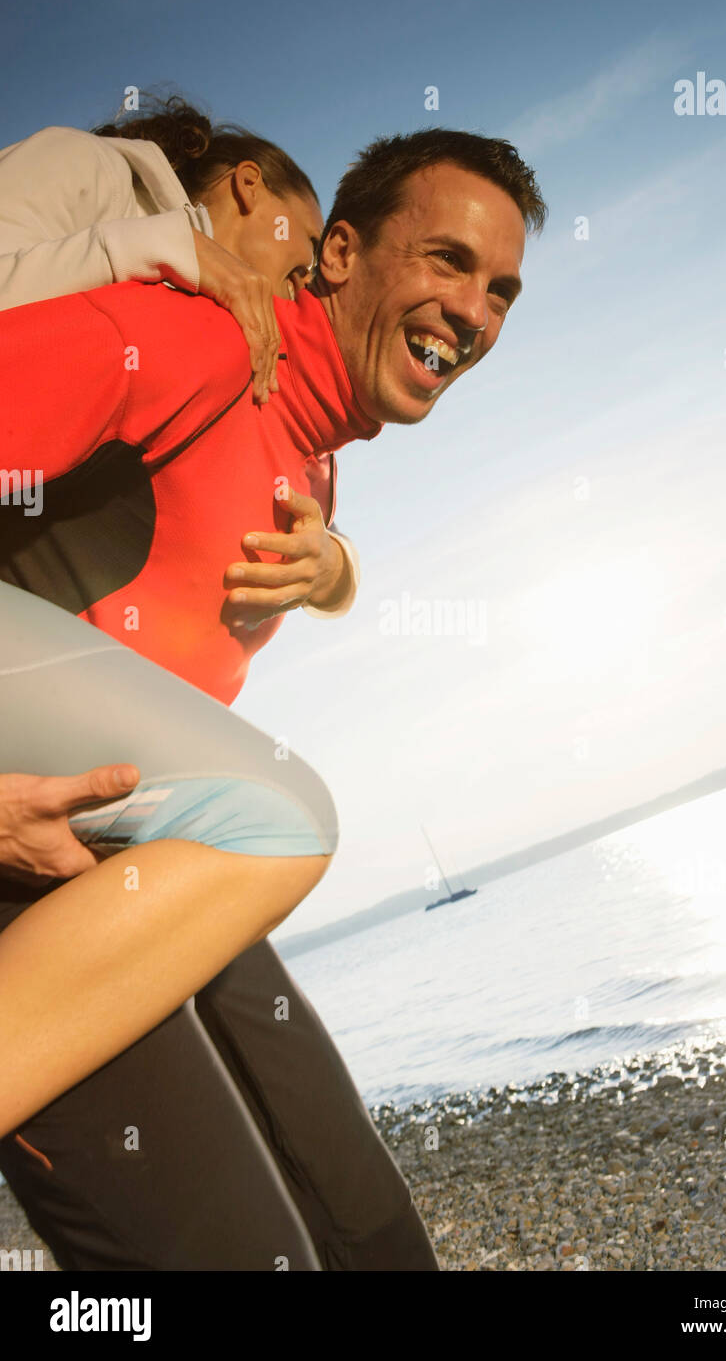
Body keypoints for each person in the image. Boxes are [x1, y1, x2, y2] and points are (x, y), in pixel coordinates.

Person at [0, 126, 546, 1269]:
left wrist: (339, 566)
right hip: (34, 861)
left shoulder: (315, 463)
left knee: (369, 1230)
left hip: (149, 853)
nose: (476, 311)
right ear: (336, 254)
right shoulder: (193, 337)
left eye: (498, 289)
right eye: (445, 261)